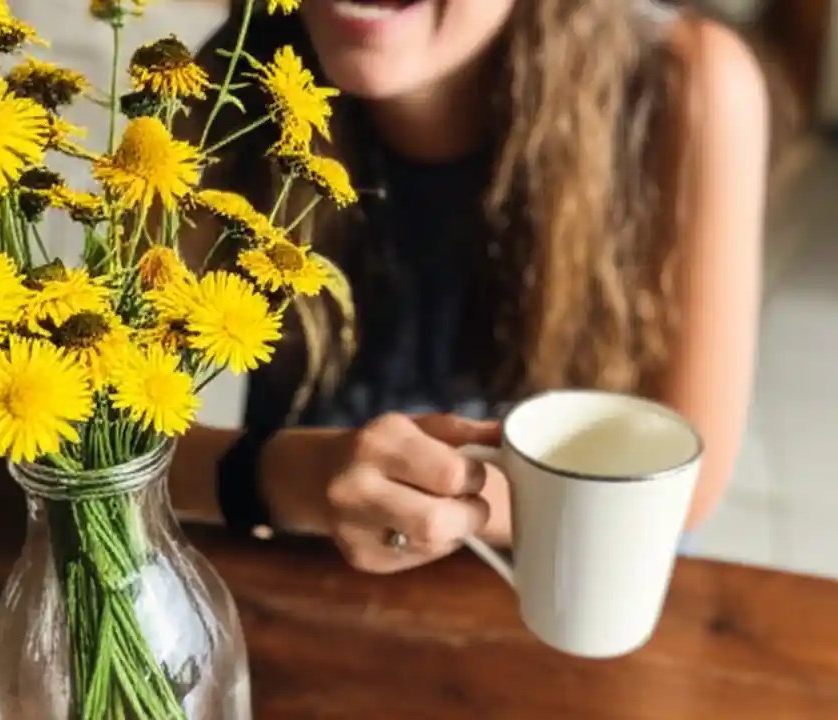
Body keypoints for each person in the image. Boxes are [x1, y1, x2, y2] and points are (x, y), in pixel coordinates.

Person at [172, 0, 768, 575]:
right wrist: (300, 478)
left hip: (576, 597)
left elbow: (683, 489)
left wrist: (401, 500)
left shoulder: (688, 84)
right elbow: (99, 443)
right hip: (310, 593)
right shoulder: (232, 82)